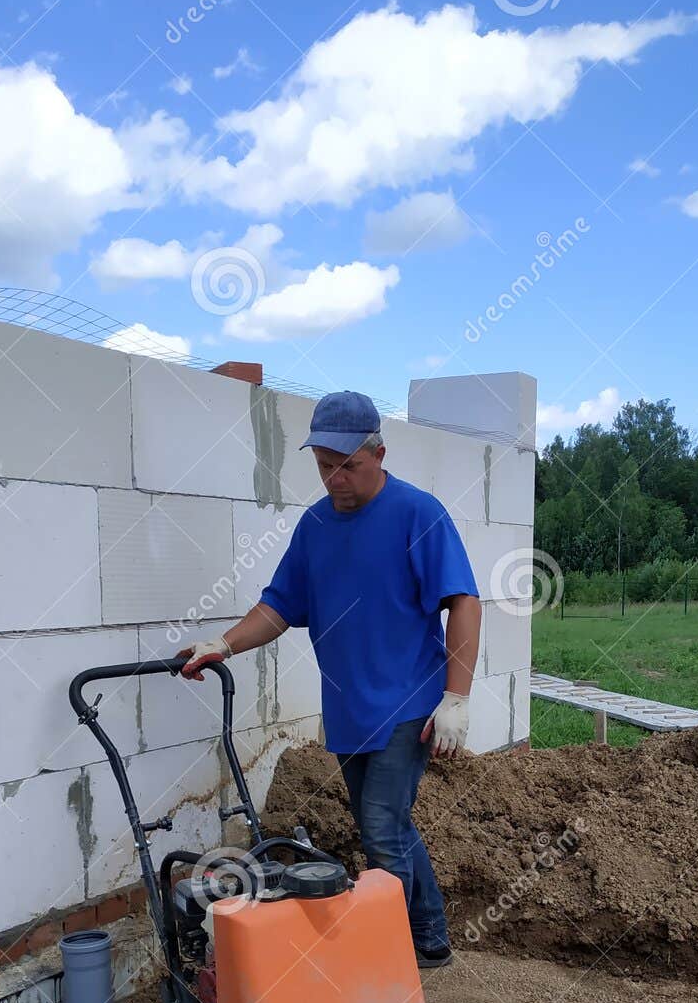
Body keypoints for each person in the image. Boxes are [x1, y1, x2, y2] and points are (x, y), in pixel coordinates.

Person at [180, 389, 481, 968]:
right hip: (348, 709)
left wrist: (456, 697)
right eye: (324, 466)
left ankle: (386, 960)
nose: (335, 479)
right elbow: (278, 607)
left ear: (379, 453)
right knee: (389, 824)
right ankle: (432, 936)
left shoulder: (418, 514)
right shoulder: (315, 527)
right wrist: (223, 644)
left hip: (409, 702)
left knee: (379, 830)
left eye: (348, 466)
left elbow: (464, 601)